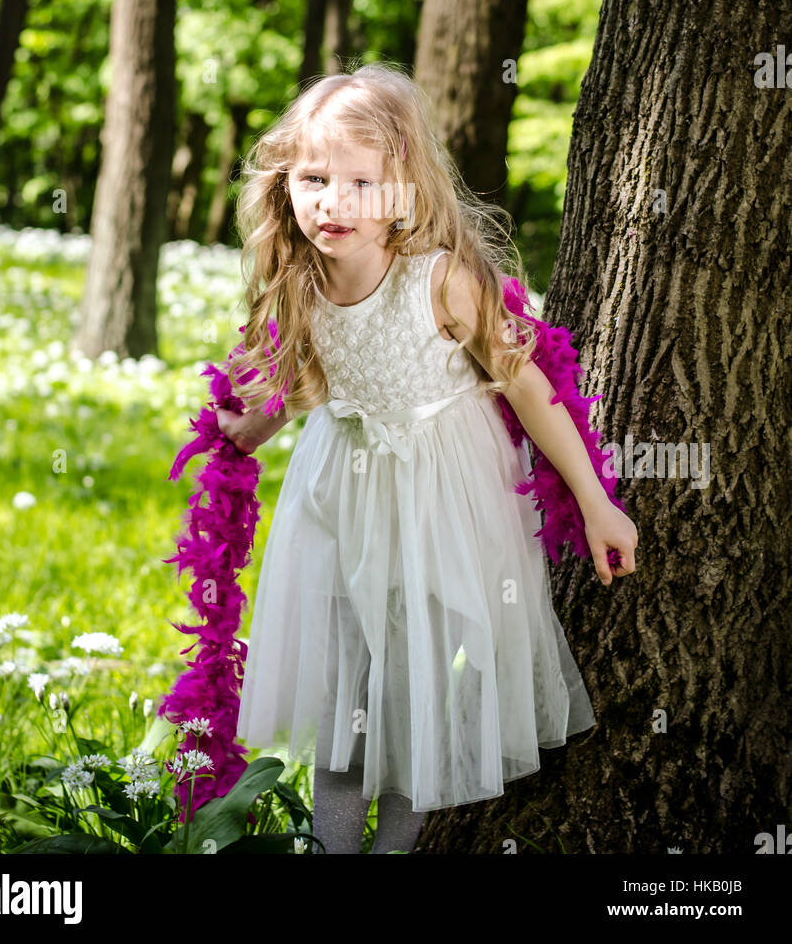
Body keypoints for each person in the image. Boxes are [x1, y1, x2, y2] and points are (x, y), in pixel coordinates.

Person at [214, 62, 638, 854]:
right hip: (341, 498)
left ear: (403, 189)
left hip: (442, 498)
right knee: (346, 696)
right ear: (285, 182)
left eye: (359, 182)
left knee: (412, 695)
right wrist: (252, 429)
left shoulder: (442, 283)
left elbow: (527, 387)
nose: (332, 202)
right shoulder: (300, 283)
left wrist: (593, 499)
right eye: (312, 178)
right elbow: (307, 378)